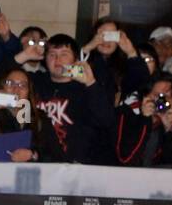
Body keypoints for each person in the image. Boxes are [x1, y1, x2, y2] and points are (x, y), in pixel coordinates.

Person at [36, 34, 117, 164]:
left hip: (78, 165)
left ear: (75, 60)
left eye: (64, 54)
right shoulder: (36, 82)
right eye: (52, 54)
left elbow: (107, 120)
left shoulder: (86, 87)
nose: (57, 59)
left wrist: (90, 84)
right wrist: (25, 55)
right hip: (41, 161)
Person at [0, 66, 65, 162]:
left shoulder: (38, 119)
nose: (16, 90)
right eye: (10, 83)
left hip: (25, 174)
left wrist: (33, 155)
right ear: (2, 87)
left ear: (28, 92)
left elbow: (58, 156)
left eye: (22, 85)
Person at [115, 72, 172, 167]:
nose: (163, 102)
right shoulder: (127, 113)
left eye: (169, 97)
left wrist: (170, 131)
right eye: (158, 96)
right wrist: (145, 120)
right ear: (145, 96)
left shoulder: (171, 121)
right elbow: (126, 160)